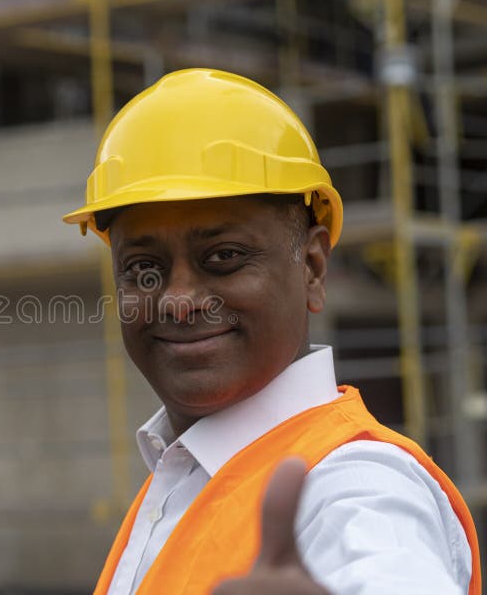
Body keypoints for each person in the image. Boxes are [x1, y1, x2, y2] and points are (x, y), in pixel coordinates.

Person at [62, 68, 481, 595]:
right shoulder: (179, 477)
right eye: (143, 268)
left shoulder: (353, 485)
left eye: (224, 256)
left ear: (312, 268)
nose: (178, 300)